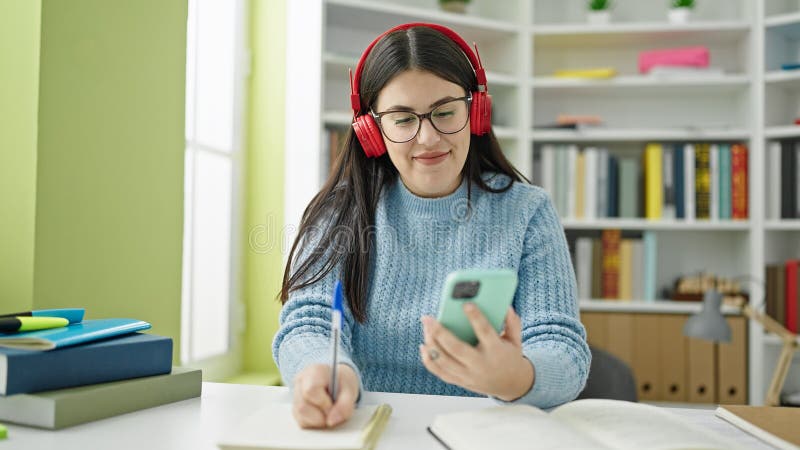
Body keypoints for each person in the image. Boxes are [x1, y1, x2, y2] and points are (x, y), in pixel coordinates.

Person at [273, 22, 590, 429]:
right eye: (403, 119)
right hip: (364, 425)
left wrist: (519, 377)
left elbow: (563, 349)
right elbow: (307, 322)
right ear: (372, 131)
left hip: (486, 432)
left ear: (475, 112)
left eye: (444, 113)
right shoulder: (340, 211)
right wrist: (322, 370)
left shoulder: (527, 212)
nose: (428, 139)